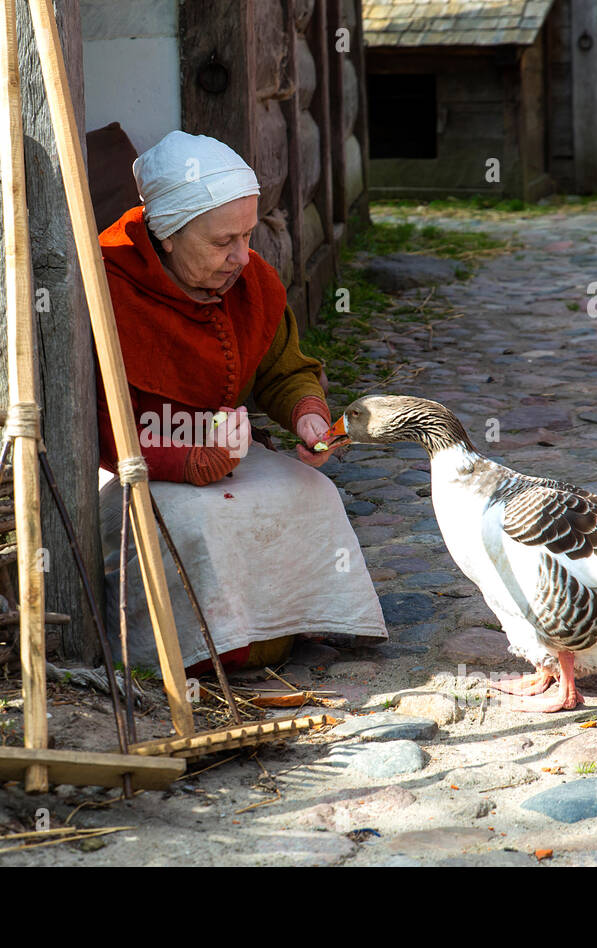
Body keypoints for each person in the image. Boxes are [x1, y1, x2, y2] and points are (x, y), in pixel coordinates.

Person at [95, 130, 386, 676]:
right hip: (127, 463)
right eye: (222, 241)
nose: (240, 256)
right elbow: (98, 426)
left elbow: (284, 369)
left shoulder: (250, 281)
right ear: (168, 236)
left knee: (311, 492)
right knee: (193, 521)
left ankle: (291, 620)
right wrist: (193, 461)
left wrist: (308, 415)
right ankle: (204, 648)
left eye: (247, 235)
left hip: (221, 452)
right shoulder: (106, 286)